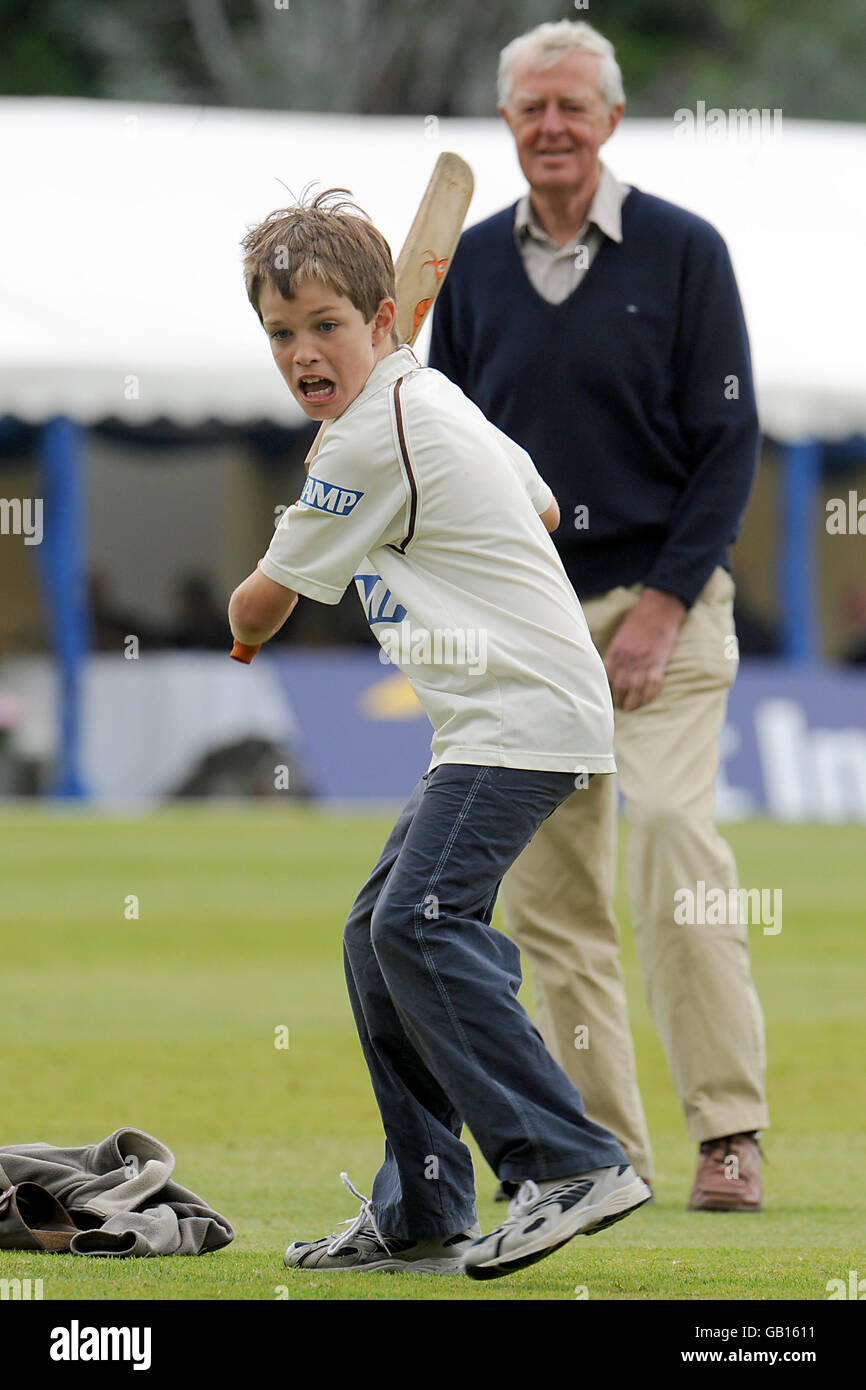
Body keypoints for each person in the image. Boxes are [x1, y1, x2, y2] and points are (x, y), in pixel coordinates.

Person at [227, 188, 651, 1278]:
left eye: (325, 325)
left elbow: (255, 611)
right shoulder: (428, 395)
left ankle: (567, 1161)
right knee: (377, 936)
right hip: (494, 716)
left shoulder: (370, 434)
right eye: (280, 333)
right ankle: (422, 1206)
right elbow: (543, 507)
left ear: (381, 319)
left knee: (418, 924)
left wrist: (322, 497)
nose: (300, 350)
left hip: (519, 714)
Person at [429, 18, 768, 1211]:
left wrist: (663, 604)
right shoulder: (467, 268)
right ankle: (603, 1156)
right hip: (528, 629)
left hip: (663, 610)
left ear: (611, 119)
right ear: (508, 122)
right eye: (531, 109)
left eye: (572, 106)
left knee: (674, 838)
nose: (552, 127)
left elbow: (729, 444)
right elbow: (446, 448)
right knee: (552, 901)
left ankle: (727, 1133)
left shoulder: (682, 252)